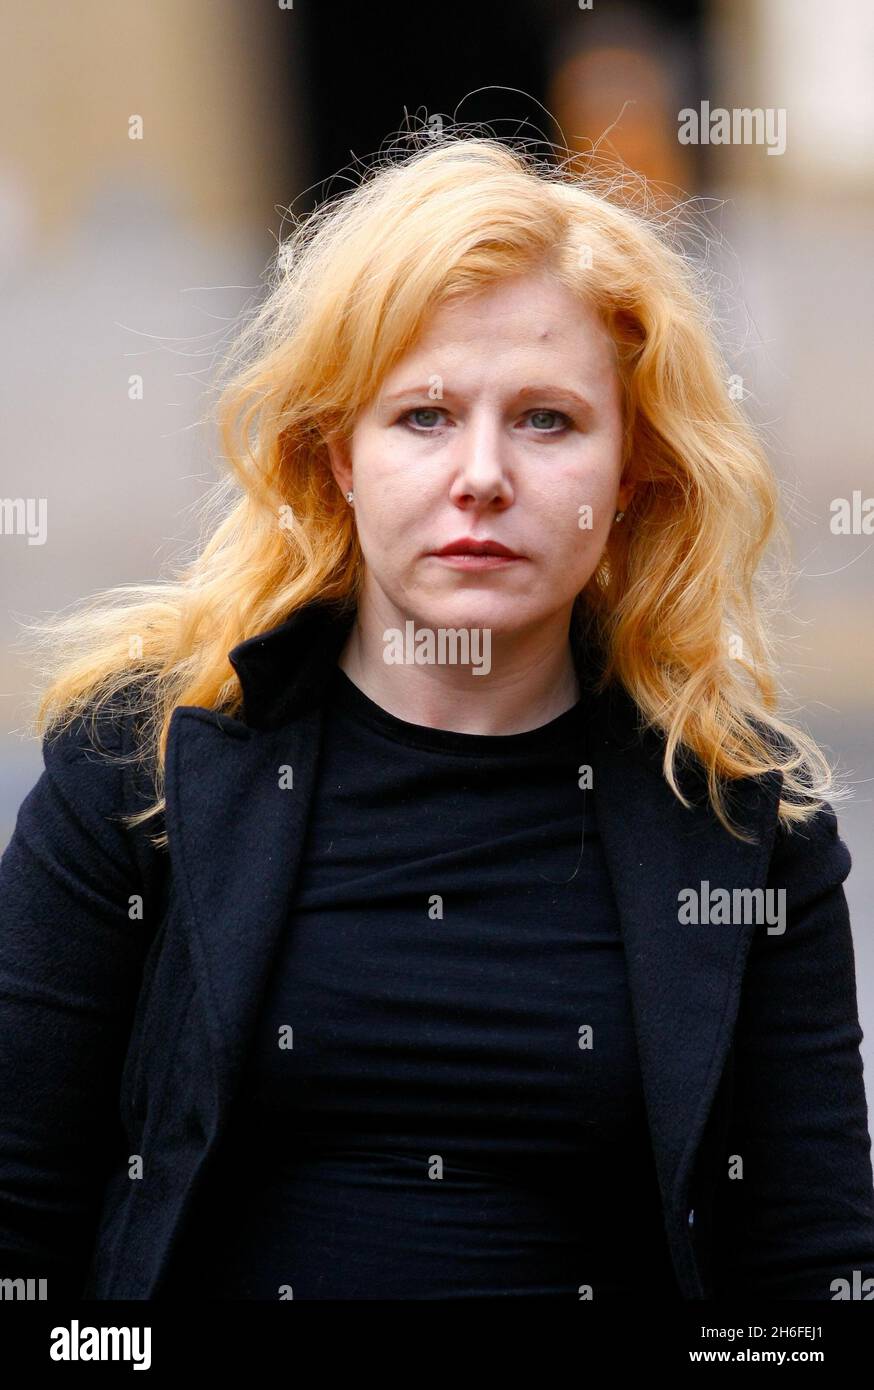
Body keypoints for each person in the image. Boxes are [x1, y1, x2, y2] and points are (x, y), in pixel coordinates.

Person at [2, 134, 873, 1302]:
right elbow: (19, 1222)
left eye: (548, 420)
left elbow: (811, 1274)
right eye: (421, 415)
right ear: (334, 456)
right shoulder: (137, 768)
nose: (482, 475)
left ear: (632, 475)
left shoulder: (741, 824)